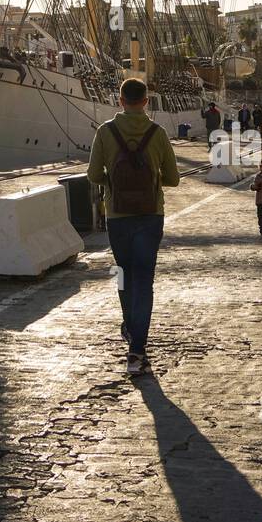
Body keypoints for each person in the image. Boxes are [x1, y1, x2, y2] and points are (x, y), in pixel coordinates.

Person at [87, 77, 180, 377]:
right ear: (146, 101)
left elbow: (92, 174)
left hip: (117, 215)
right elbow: (174, 179)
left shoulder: (105, 131)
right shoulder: (158, 132)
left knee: (124, 275)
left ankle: (129, 325)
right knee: (144, 280)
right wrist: (151, 182)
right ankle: (137, 350)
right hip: (151, 215)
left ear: (120, 100)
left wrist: (115, 185)